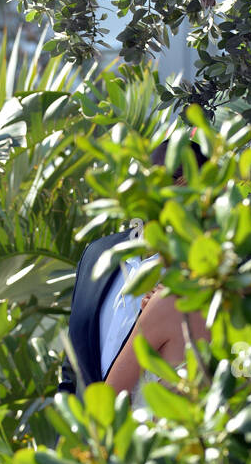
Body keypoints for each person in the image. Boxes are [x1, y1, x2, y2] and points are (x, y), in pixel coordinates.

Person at [60, 136, 209, 394]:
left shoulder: (203, 277)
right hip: (90, 430)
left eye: (162, 177)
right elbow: (73, 365)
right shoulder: (97, 255)